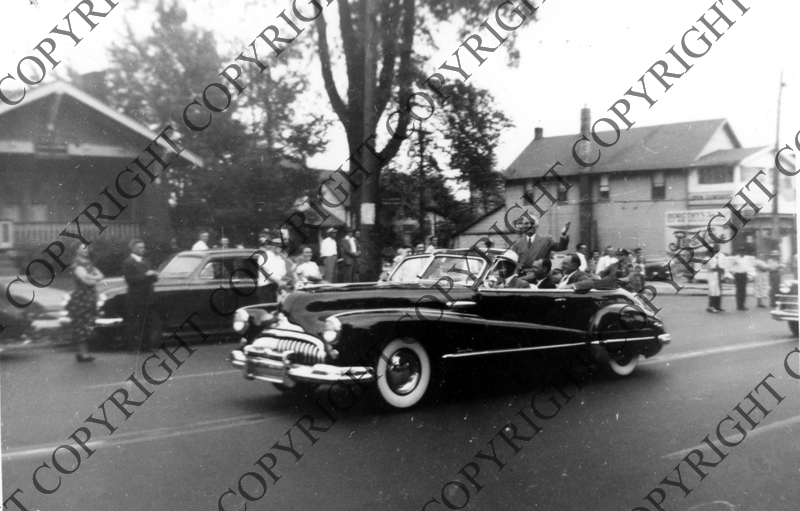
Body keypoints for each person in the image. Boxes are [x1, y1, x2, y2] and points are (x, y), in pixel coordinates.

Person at [67, 244, 104, 362]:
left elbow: (101, 276)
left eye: (87, 248)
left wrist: (91, 277)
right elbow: (85, 281)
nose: (86, 251)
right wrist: (93, 277)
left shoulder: (89, 264)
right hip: (81, 297)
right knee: (81, 324)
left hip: (90, 296)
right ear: (77, 251)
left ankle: (83, 353)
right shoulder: (77, 264)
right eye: (83, 249)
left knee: (87, 323)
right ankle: (82, 354)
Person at [123, 239, 159, 351]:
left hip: (148, 296)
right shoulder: (128, 262)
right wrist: (146, 275)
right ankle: (134, 346)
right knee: (135, 323)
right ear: (133, 249)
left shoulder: (146, 261)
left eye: (143, 247)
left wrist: (154, 275)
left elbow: (153, 279)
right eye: (140, 247)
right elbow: (130, 280)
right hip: (135, 298)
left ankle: (146, 345)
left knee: (147, 322)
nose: (143, 249)